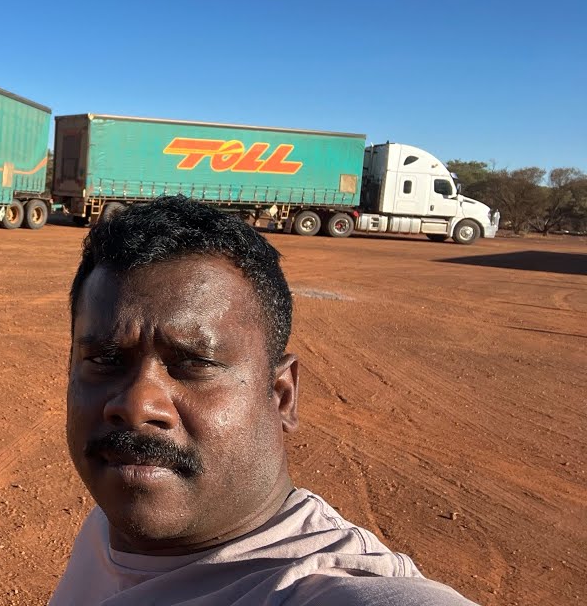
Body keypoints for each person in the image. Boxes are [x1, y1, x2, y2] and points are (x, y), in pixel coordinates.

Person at [51, 196, 475, 605]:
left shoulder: (318, 586)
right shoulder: (114, 514)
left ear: (281, 395)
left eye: (195, 363)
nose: (137, 405)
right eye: (104, 359)